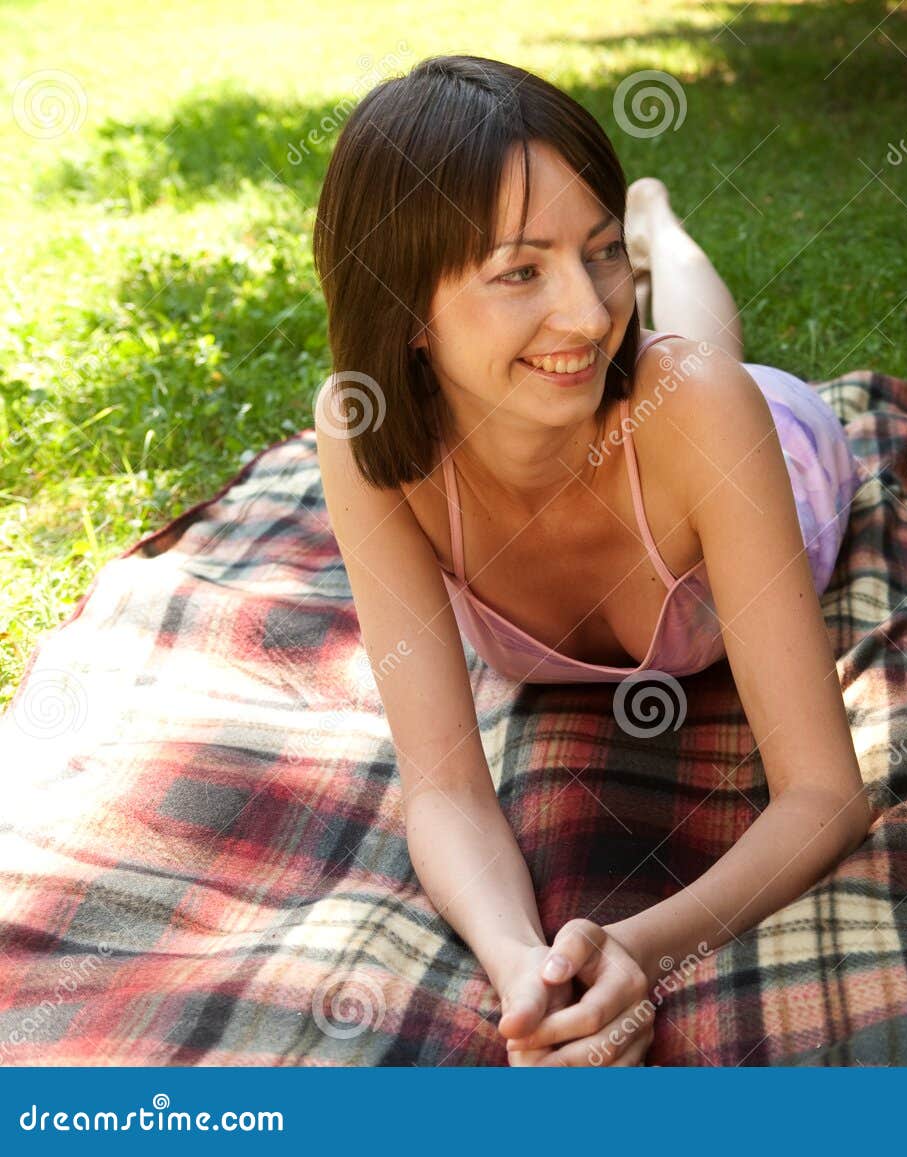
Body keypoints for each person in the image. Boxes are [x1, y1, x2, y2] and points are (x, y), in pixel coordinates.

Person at [313, 55, 869, 1066]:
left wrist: (636, 945)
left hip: (773, 454)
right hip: (668, 424)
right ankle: (650, 228)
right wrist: (523, 962)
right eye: (521, 270)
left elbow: (826, 793)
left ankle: (659, 226)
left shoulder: (697, 411)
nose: (584, 307)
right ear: (403, 310)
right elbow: (442, 789)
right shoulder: (369, 437)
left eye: (601, 251)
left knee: (693, 354)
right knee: (656, 354)